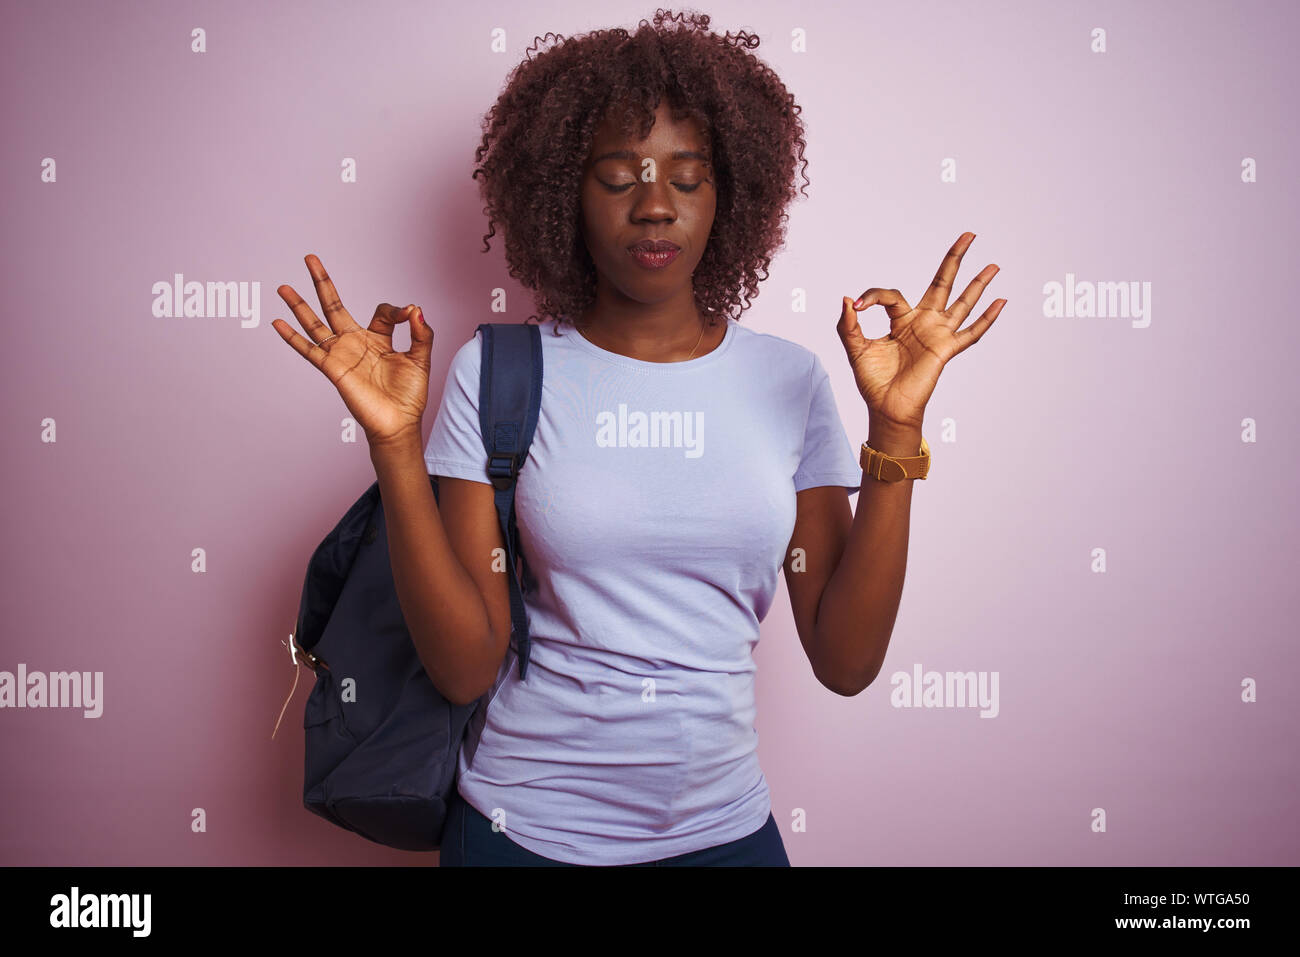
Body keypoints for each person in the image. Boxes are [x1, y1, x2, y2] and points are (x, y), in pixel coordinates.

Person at [271, 9, 1005, 867]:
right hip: (521, 834)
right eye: (619, 178)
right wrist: (395, 449)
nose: (655, 206)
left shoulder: (790, 381)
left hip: (726, 838)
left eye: (686, 179)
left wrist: (897, 430)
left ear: (729, 193)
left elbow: (845, 660)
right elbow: (466, 669)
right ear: (562, 196)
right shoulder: (499, 372)